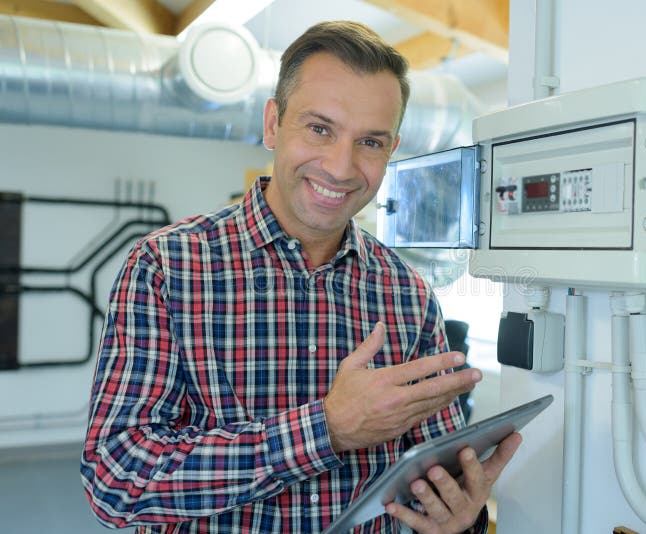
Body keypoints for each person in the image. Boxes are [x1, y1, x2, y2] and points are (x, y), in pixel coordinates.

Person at [80, 20, 521, 534]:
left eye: (371, 142)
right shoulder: (166, 266)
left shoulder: (408, 295)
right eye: (319, 129)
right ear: (273, 124)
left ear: (392, 148)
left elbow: (428, 477)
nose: (340, 166)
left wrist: (457, 518)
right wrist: (326, 429)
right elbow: (116, 482)